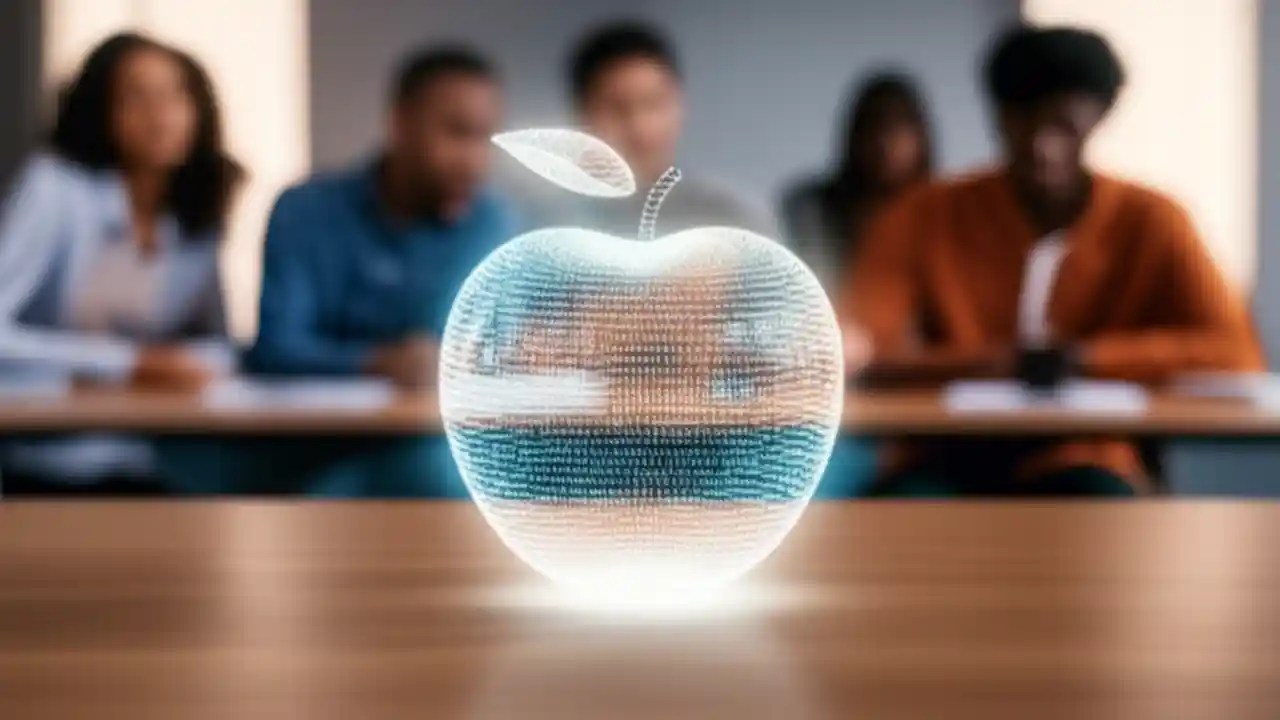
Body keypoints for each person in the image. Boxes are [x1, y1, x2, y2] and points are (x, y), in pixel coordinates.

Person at [839, 25, 1262, 496]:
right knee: (904, 516)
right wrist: (999, 363)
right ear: (998, 118)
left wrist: (1085, 360)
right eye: (1023, 123)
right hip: (943, 450)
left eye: (1064, 125)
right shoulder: (923, 214)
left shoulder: (1153, 220)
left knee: (1102, 509)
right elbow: (861, 348)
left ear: (1099, 119)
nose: (1043, 146)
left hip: (1086, 452)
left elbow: (1235, 354)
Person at [236, 46, 515, 496]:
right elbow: (276, 348)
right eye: (458, 133)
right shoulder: (306, 211)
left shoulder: (490, 222)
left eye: (486, 138)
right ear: (399, 123)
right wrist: (382, 362)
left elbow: (487, 353)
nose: (474, 160)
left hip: (435, 448)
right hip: (305, 449)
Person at [0, 33, 242, 493]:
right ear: (100, 110)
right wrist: (126, 363)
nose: (162, 116)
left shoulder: (195, 205)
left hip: (155, 446)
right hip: (41, 448)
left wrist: (188, 366)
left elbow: (215, 344)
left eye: (177, 94)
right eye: (138, 97)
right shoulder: (55, 187)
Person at [553, 21, 773, 238]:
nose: (640, 128)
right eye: (617, 108)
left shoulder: (731, 217)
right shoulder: (552, 225)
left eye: (652, 103)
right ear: (581, 115)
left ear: (680, 105)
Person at [781, 72, 933, 291]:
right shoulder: (810, 211)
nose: (884, 142)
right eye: (875, 126)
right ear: (854, 135)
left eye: (897, 127)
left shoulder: (940, 217)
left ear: (921, 139)